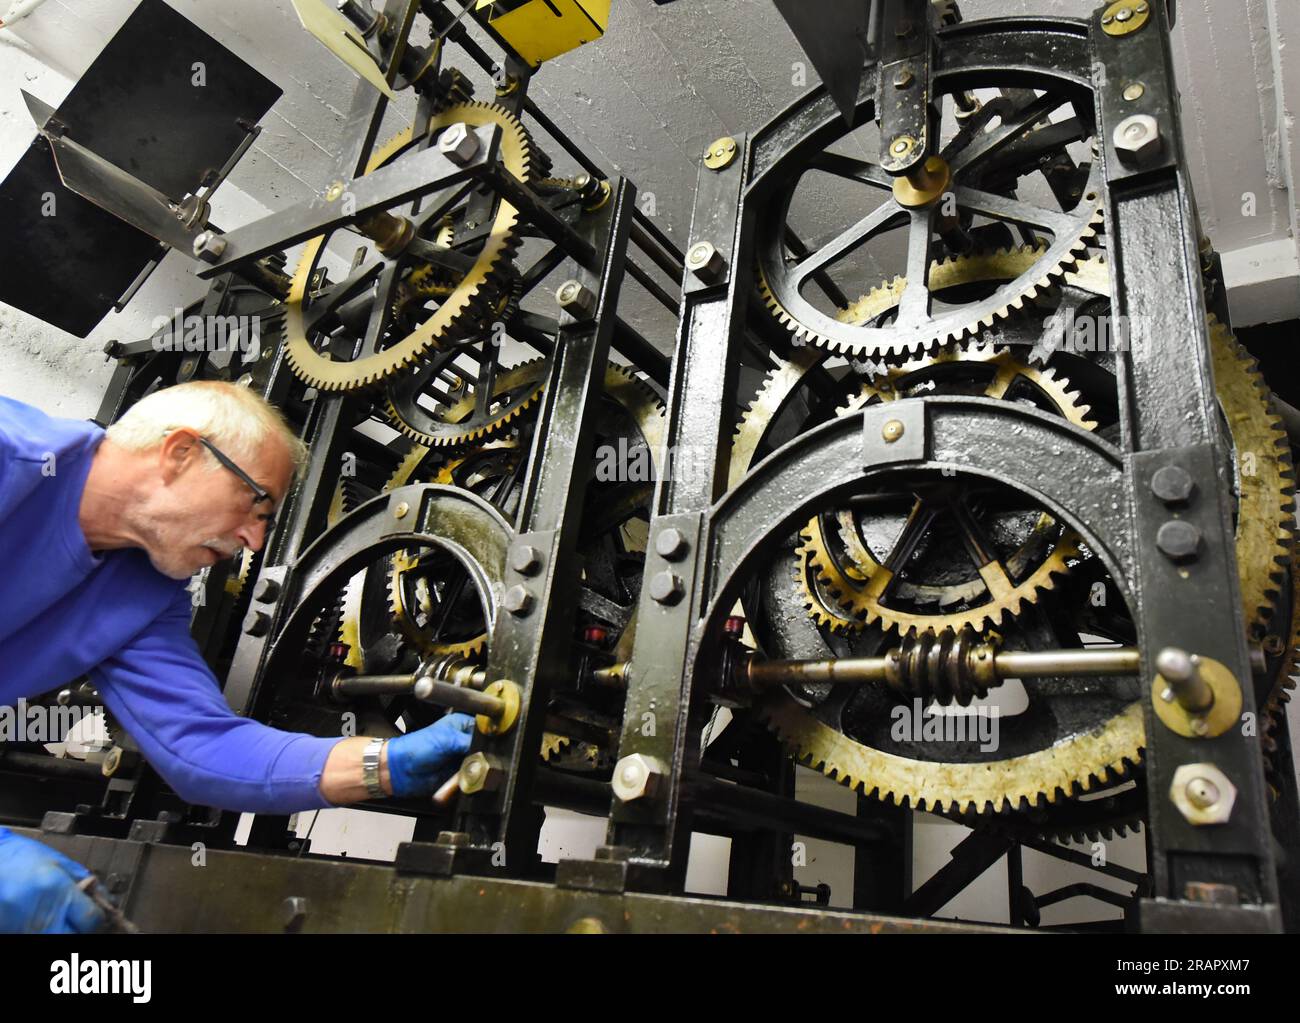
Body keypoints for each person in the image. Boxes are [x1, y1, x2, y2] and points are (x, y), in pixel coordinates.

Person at [0, 381, 472, 933]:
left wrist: (386, 764)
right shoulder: (13, 457)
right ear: (179, 454)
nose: (252, 540)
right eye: (256, 503)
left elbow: (201, 747)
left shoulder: (145, 596)